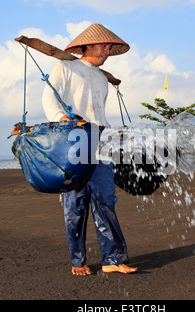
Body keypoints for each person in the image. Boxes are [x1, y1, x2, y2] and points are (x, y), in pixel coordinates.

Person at [42, 23, 138, 276]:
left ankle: (112, 259)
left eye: (109, 47)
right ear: (88, 45)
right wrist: (62, 118)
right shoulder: (66, 66)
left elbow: (99, 112)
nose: (107, 50)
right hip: (75, 138)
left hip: (101, 139)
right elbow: (49, 97)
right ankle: (78, 261)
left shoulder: (101, 78)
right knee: (77, 203)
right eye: (103, 46)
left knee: (106, 200)